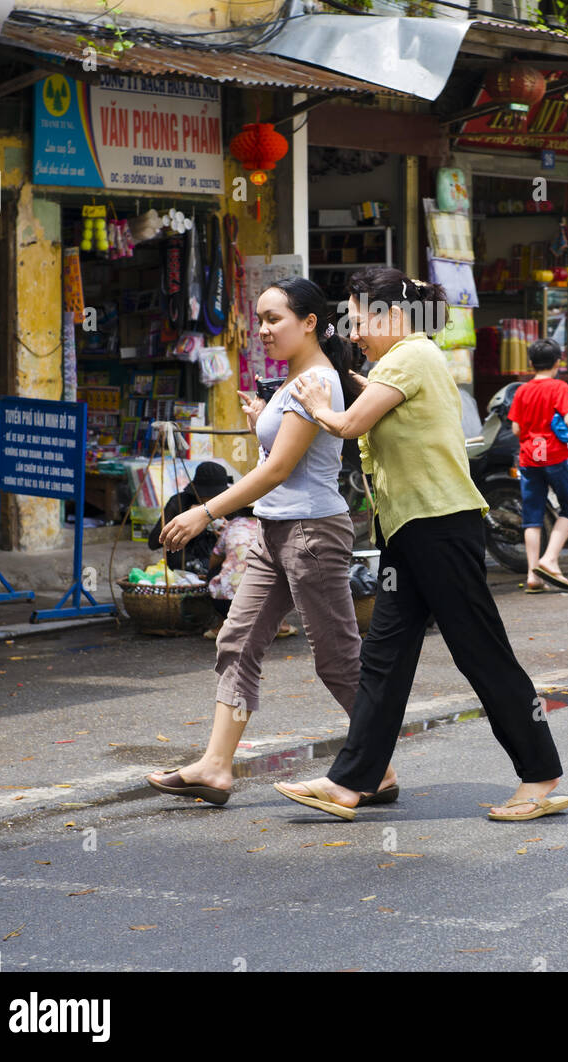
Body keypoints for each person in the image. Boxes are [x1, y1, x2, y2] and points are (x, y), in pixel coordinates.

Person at [273, 268, 568, 825]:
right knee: (384, 657)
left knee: (480, 651)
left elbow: (349, 423)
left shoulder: (410, 354)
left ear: (390, 316)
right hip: (410, 530)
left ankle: (540, 775)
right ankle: (348, 781)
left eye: (358, 321)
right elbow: (371, 397)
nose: (355, 334)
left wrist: (314, 399)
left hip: (440, 526)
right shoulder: (403, 363)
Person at [144, 277, 396, 808]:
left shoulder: (318, 381)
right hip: (273, 530)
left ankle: (380, 769)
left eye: (273, 319)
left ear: (309, 323)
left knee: (337, 659)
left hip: (311, 534)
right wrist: (264, 420)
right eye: (259, 319)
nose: (262, 330)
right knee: (236, 641)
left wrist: (204, 511)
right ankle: (215, 767)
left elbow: (281, 469)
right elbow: (279, 457)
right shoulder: (292, 381)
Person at [508, 339, 568, 593]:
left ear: (530, 364)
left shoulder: (522, 391)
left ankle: (532, 576)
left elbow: (516, 428)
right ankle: (549, 559)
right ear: (558, 362)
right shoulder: (559, 387)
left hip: (529, 459)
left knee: (532, 517)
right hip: (555, 457)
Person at [204, 511, 298, 642]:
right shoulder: (275, 526)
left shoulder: (232, 525)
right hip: (267, 598)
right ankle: (281, 624)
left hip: (227, 599)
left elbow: (215, 557)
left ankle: (222, 625)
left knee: (215, 571)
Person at [147, 460, 232, 577]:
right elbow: (153, 543)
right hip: (182, 566)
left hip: (214, 565)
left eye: (214, 497)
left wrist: (228, 532)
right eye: (205, 497)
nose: (209, 502)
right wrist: (188, 517)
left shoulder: (228, 504)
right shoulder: (179, 502)